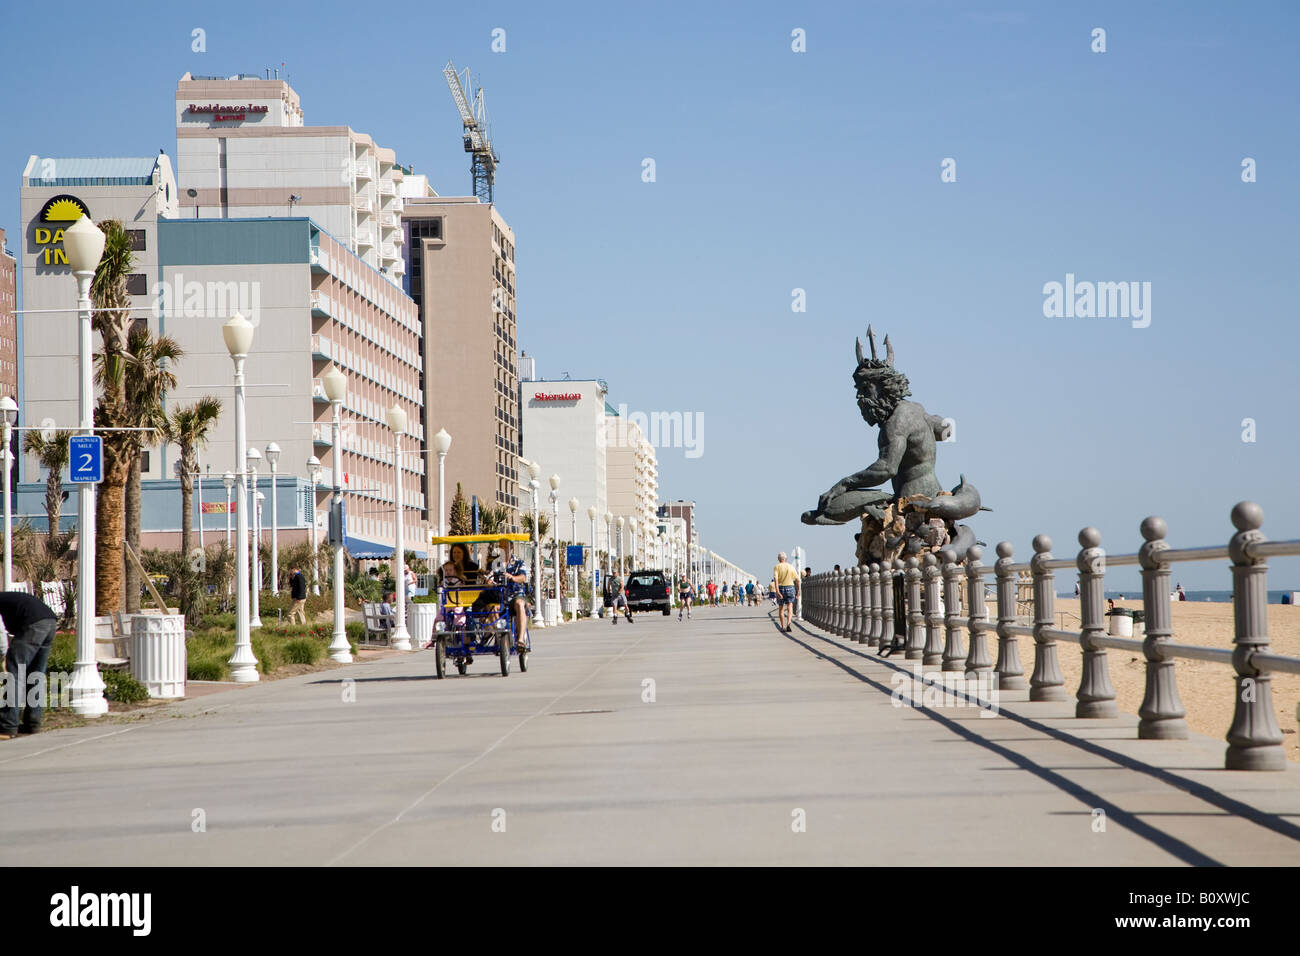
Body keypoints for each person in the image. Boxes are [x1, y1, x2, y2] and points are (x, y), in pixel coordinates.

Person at [0, 592, 59, 740]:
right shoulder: (6, 598)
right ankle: (32, 722)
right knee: (36, 674)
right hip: (50, 622)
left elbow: (1, 634)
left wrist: (3, 654)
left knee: (15, 672)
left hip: (33, 623)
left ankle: (7, 725)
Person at [494, 537, 531, 651]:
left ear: (511, 548)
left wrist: (512, 577)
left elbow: (523, 577)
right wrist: (489, 580)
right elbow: (489, 575)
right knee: (491, 607)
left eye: (505, 547)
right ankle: (499, 634)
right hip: (500, 597)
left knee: (520, 604)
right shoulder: (495, 563)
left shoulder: (519, 562)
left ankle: (520, 640)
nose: (503, 549)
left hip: (515, 595)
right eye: (501, 547)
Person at [773, 551, 801, 633]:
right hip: (790, 587)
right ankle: (789, 623)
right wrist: (798, 591)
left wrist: (777, 591)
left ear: (778, 559)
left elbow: (776, 579)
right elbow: (798, 580)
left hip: (781, 588)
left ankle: (783, 627)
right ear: (786, 559)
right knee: (790, 607)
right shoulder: (791, 567)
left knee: (781, 608)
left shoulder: (777, 567)